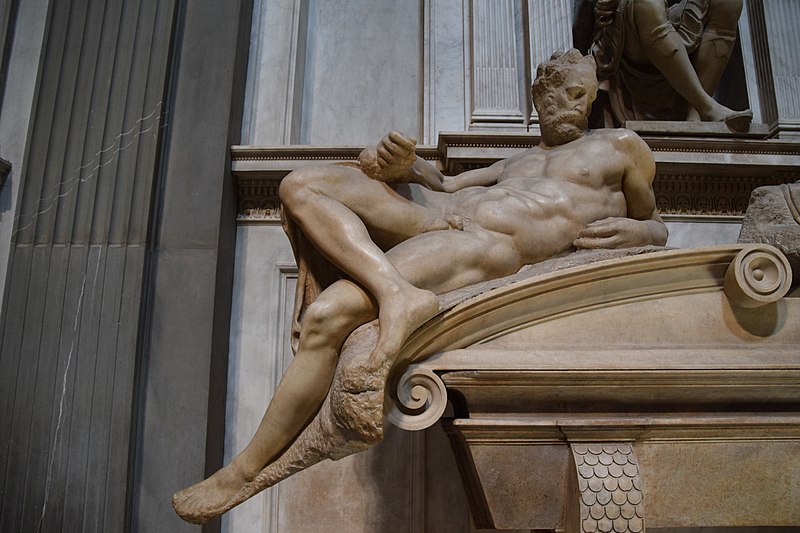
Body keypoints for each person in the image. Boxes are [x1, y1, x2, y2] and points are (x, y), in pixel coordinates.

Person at [172, 49, 668, 523]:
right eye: (567, 95)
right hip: (443, 218)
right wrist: (397, 163)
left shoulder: (620, 146)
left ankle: (241, 472)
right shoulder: (513, 163)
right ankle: (395, 292)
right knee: (299, 184)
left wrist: (642, 232)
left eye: (586, 97)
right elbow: (444, 186)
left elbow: (656, 224)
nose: (577, 107)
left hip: (484, 244)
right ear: (541, 97)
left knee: (326, 316)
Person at [591, 0, 751, 130]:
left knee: (729, 3)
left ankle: (695, 114)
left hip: (676, 12)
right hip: (629, 24)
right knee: (648, 4)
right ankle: (707, 107)